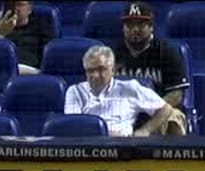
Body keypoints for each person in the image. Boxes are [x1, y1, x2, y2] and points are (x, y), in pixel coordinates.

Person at [110, 2, 190, 135]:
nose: (135, 29)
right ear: (123, 28)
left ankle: (173, 155)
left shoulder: (167, 52)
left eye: (141, 24)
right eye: (130, 25)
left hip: (160, 110)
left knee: (173, 118)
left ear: (151, 27)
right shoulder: (112, 55)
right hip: (122, 112)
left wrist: (151, 111)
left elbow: (176, 95)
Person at [64, 44, 175, 137]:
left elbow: (165, 108)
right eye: (90, 70)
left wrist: (145, 130)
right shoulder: (75, 92)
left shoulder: (130, 88)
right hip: (88, 146)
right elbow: (74, 126)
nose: (95, 75)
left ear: (113, 70)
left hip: (122, 148)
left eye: (101, 69)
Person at [0, 1, 53, 74]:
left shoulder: (42, 27)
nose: (15, 9)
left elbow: (49, 56)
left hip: (31, 71)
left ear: (29, 9)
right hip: (4, 71)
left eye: (20, 5)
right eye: (12, 5)